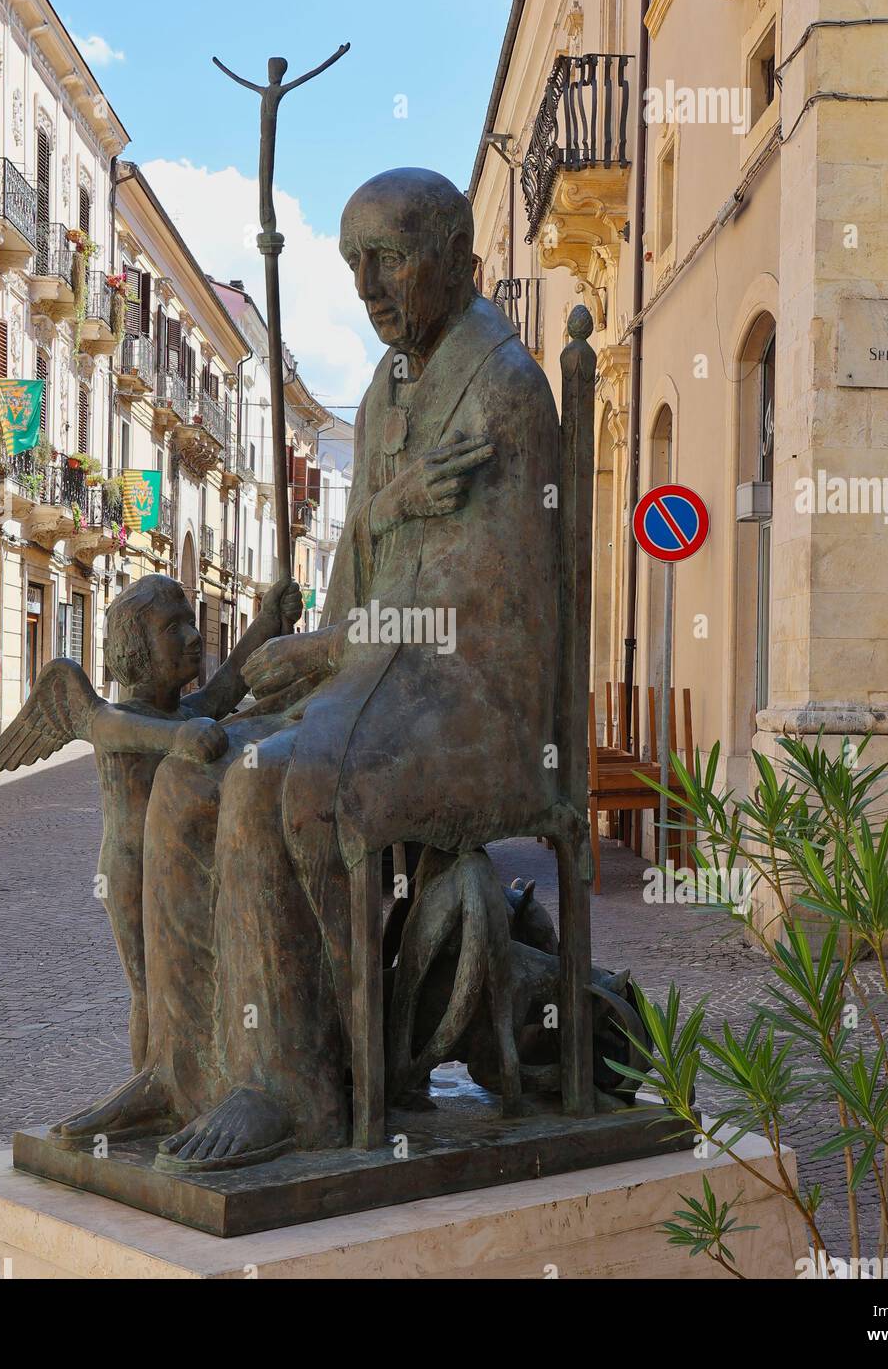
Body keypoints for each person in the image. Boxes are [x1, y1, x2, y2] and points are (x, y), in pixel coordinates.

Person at [57, 167, 566, 1172]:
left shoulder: (504, 386)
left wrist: (331, 648)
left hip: (476, 709)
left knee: (263, 780)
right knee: (191, 771)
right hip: (381, 685)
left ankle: (291, 1086)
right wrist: (309, 646)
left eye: (387, 259)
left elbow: (476, 612)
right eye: (351, 264)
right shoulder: (388, 391)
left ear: (457, 264)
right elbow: (364, 577)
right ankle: (184, 1059)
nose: (367, 287)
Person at [0, 573, 300, 1120]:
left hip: (177, 869)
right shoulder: (115, 716)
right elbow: (116, 731)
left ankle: (197, 1080)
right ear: (133, 648)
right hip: (130, 874)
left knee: (193, 982)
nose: (193, 637)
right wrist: (178, 738)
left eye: (191, 624)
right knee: (150, 990)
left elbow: (226, 688)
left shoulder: (183, 710)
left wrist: (268, 623)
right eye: (173, 629)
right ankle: (151, 1086)